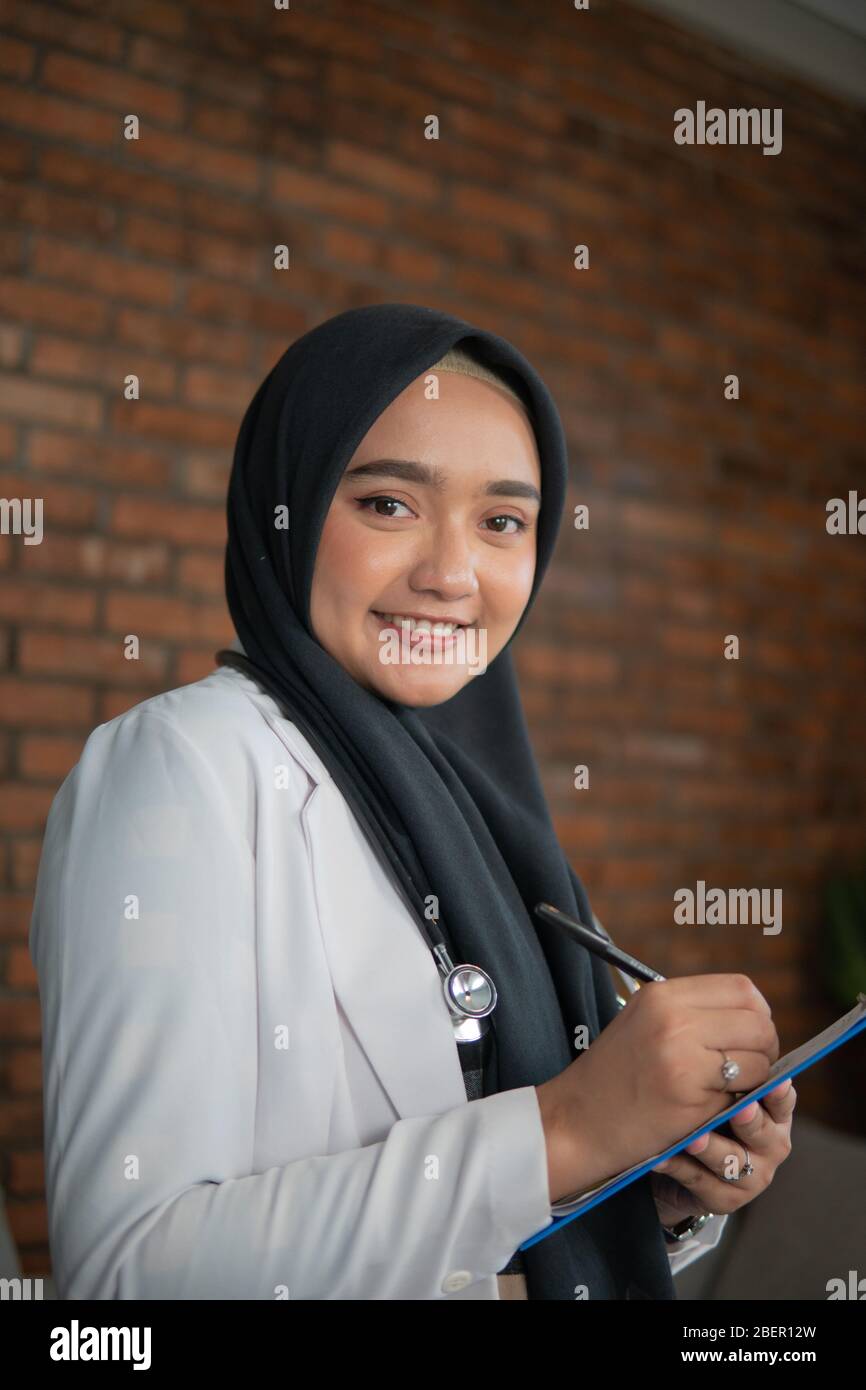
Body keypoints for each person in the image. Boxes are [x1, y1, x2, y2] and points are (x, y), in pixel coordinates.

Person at [29, 303, 795, 1300]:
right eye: (388, 504)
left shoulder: (489, 813)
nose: (449, 574)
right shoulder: (177, 765)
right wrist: (566, 1127)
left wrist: (651, 1176)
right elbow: (127, 1277)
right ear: (290, 505)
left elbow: (509, 1209)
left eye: (502, 521)